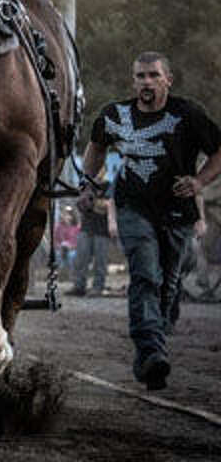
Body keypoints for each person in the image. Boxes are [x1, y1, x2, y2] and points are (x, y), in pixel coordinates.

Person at [80, 51, 221, 390]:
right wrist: (89, 183)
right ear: (133, 81)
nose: (146, 82)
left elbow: (219, 151)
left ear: (167, 80)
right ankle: (149, 354)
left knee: (167, 284)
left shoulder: (187, 115)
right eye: (140, 76)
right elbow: (96, 147)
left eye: (153, 76)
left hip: (177, 212)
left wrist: (199, 181)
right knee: (145, 274)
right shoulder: (115, 115)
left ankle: (155, 332)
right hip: (132, 206)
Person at [71, 179, 116, 296]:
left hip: (102, 229)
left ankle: (98, 287)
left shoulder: (107, 185)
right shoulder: (87, 185)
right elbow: (80, 204)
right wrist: (91, 204)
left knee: (100, 261)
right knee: (81, 258)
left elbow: (109, 205)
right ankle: (79, 286)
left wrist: (94, 204)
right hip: (86, 227)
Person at [54, 205, 81, 281]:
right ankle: (61, 275)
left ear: (72, 216)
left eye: (69, 214)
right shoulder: (59, 227)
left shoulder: (76, 228)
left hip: (73, 249)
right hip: (61, 249)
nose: (66, 216)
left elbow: (79, 242)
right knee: (58, 255)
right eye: (65, 214)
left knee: (71, 256)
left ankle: (72, 275)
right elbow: (55, 240)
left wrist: (72, 246)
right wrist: (59, 246)